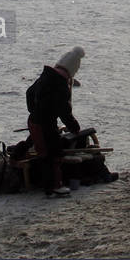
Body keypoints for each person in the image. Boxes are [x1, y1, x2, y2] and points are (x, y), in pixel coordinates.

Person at [26, 47, 85, 198]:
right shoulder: (60, 85)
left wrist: (34, 109)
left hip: (34, 120)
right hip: (45, 123)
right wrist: (74, 127)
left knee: (42, 150)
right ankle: (53, 186)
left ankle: (48, 184)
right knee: (52, 154)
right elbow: (64, 111)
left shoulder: (46, 76)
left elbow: (29, 93)